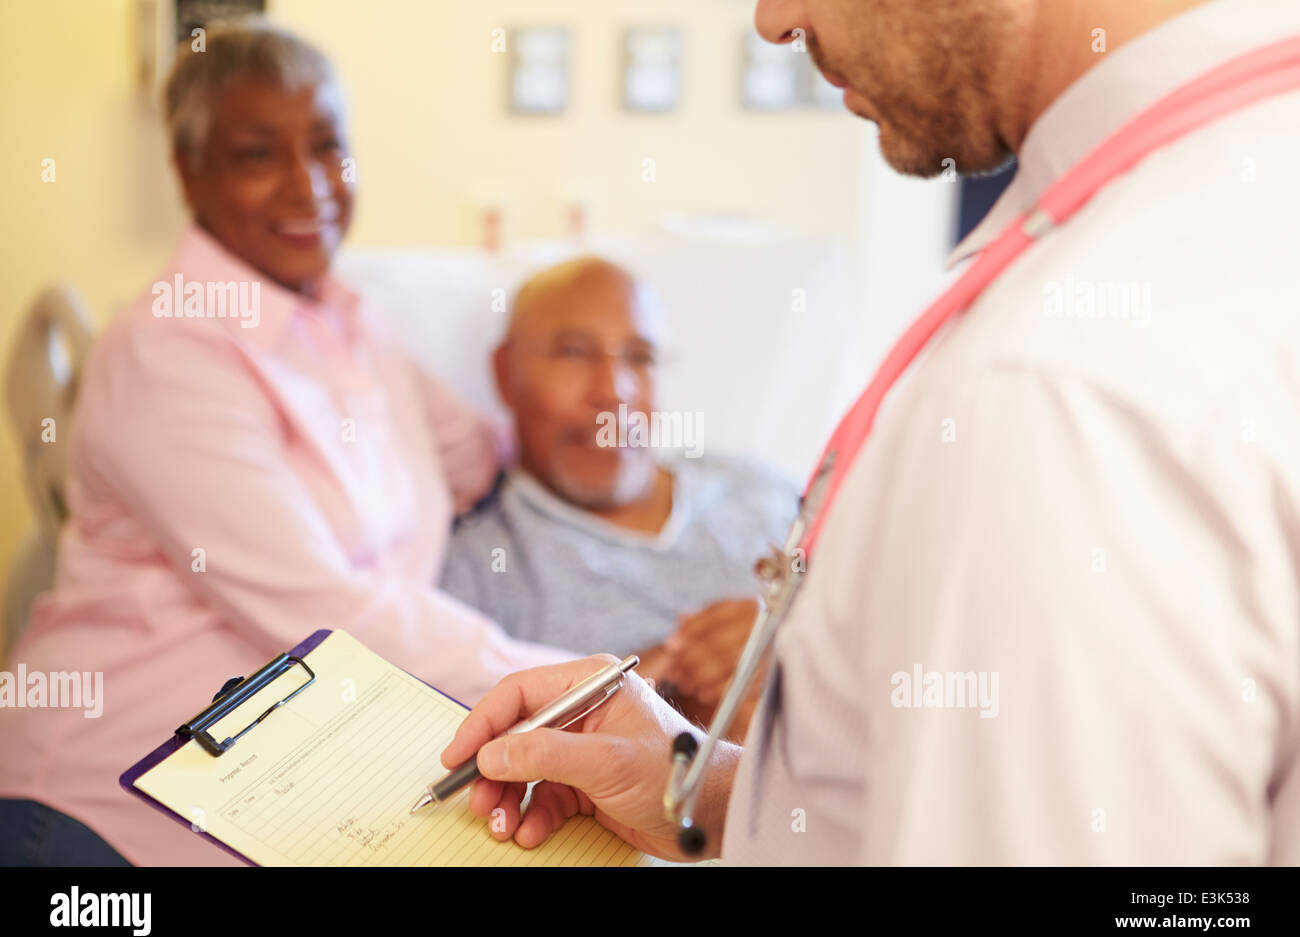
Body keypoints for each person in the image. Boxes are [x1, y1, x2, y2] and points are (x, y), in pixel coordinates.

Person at [440, 0, 1300, 864]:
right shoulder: (1237, 198)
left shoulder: (1052, 383)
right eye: (573, 354)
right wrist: (705, 786)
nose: (773, 22)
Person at [0, 19, 568, 867]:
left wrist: (600, 408)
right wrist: (581, 687)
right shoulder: (167, 352)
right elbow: (327, 614)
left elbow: (480, 458)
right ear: (190, 176)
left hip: (281, 797)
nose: (311, 188)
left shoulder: (351, 322)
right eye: (259, 155)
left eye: (329, 146)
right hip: (104, 808)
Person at [439, 257, 797, 734]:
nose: (614, 391)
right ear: (506, 374)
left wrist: (792, 636)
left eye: (641, 358)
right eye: (573, 353)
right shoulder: (479, 570)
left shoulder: (760, 488)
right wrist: (657, 689)